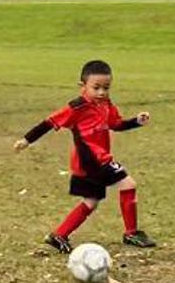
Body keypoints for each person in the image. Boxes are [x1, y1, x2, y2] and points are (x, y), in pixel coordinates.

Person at [14, 59, 156, 253]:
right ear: (82, 86)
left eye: (106, 87)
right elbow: (48, 122)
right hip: (93, 161)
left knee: (91, 201)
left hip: (90, 162)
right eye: (96, 87)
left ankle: (58, 236)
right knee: (128, 184)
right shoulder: (76, 107)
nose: (101, 92)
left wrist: (136, 122)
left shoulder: (105, 104)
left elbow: (116, 124)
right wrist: (27, 140)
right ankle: (131, 233)